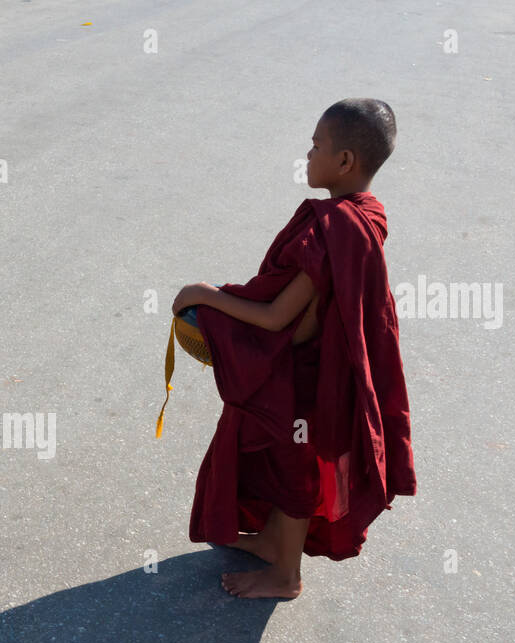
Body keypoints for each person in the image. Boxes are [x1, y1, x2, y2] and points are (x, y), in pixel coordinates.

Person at [170, 98, 416, 600]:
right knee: (288, 462)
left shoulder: (337, 228)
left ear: (344, 161)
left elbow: (277, 316)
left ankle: (286, 577)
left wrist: (205, 296)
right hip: (320, 367)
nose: (307, 153)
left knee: (295, 470)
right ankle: (272, 543)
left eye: (316, 145)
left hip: (307, 378)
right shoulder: (364, 216)